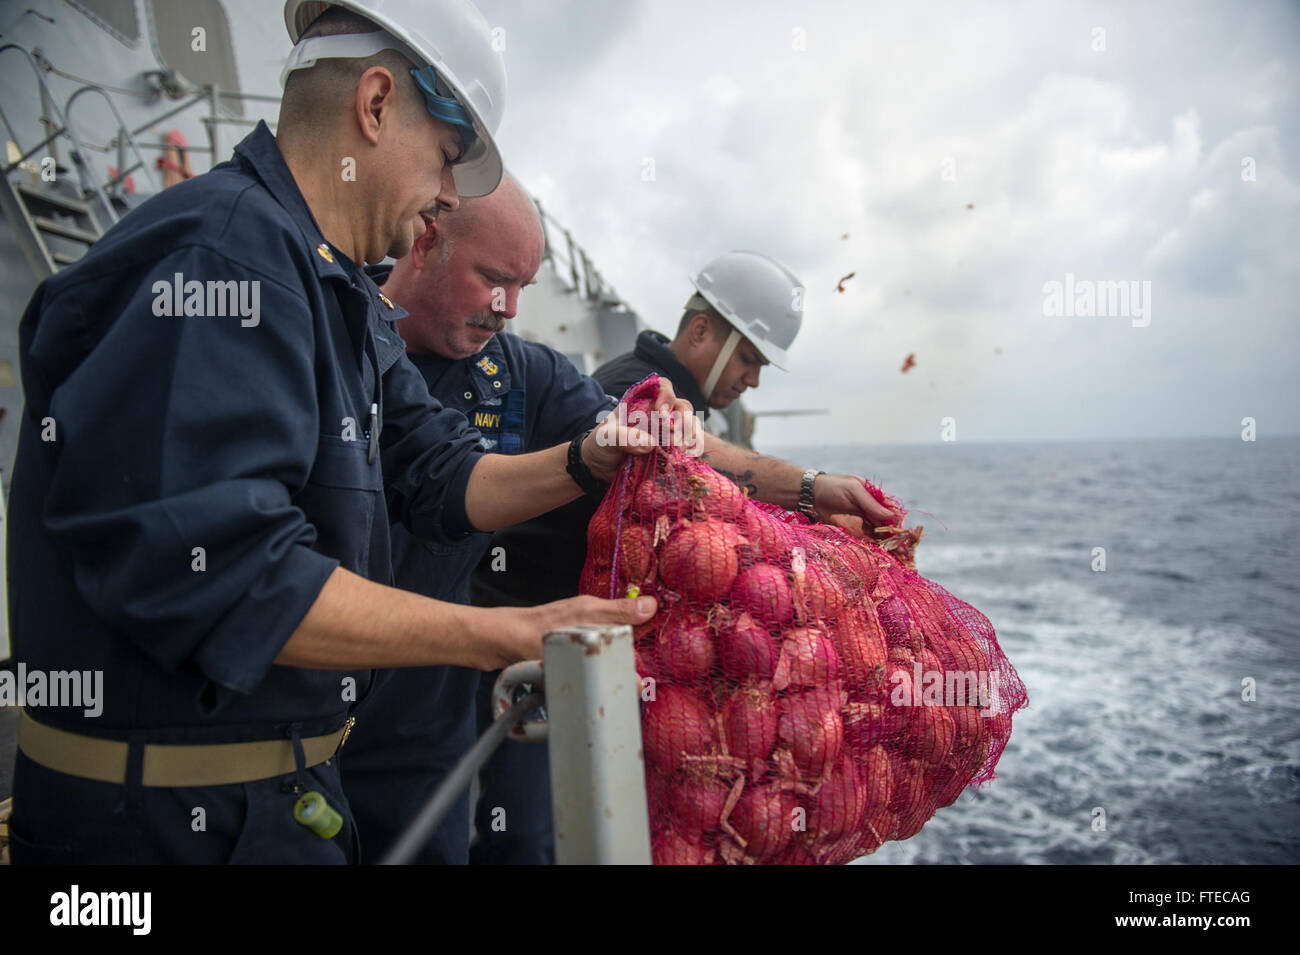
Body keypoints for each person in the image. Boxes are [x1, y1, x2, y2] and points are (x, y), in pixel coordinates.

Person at [4, 0, 694, 865]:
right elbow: (232, 577)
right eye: (448, 158)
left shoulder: (340, 296)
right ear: (374, 106)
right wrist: (512, 633)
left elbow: (443, 476)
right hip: (162, 826)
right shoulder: (221, 260)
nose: (447, 194)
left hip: (276, 806)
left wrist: (591, 458)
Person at [468, 251, 904, 863]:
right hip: (532, 643)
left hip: (581, 647)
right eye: (749, 357)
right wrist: (808, 493)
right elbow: (693, 483)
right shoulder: (628, 386)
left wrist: (812, 509)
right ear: (701, 330)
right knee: (531, 835)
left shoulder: (685, 402)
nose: (752, 378)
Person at [339, 172, 621, 863]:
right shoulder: (329, 334)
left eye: (525, 286)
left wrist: (802, 490)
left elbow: (641, 436)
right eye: (495, 278)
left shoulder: (523, 375)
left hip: (420, 732)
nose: (511, 308)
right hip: (292, 714)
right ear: (425, 237)